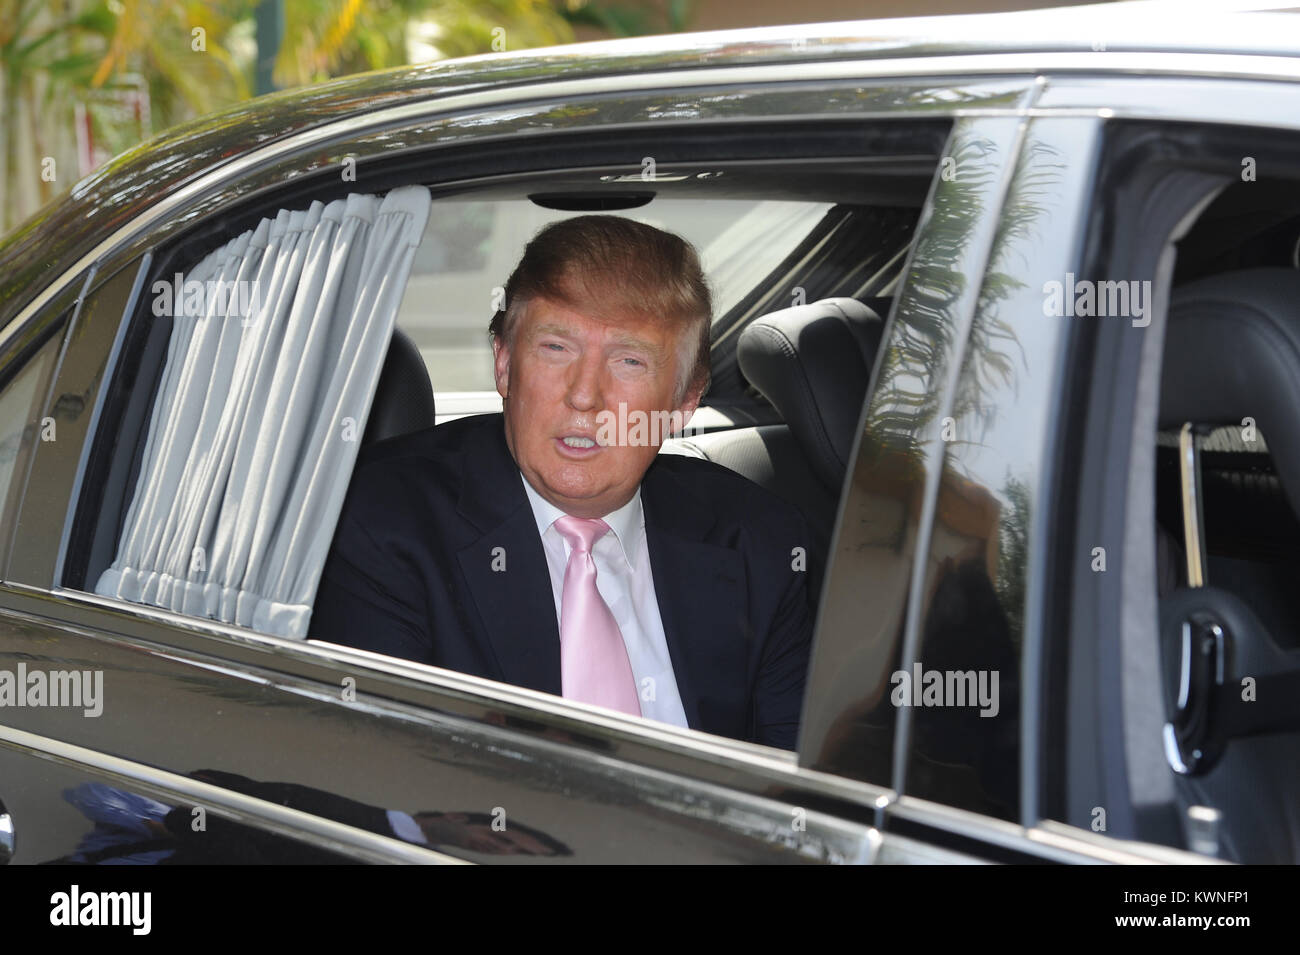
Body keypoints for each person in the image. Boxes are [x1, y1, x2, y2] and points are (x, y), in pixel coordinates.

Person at [310, 215, 812, 748]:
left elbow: (801, 787)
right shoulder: (378, 522)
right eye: (556, 348)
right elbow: (390, 775)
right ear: (504, 363)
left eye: (629, 360)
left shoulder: (760, 542)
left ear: (684, 400)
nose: (584, 396)